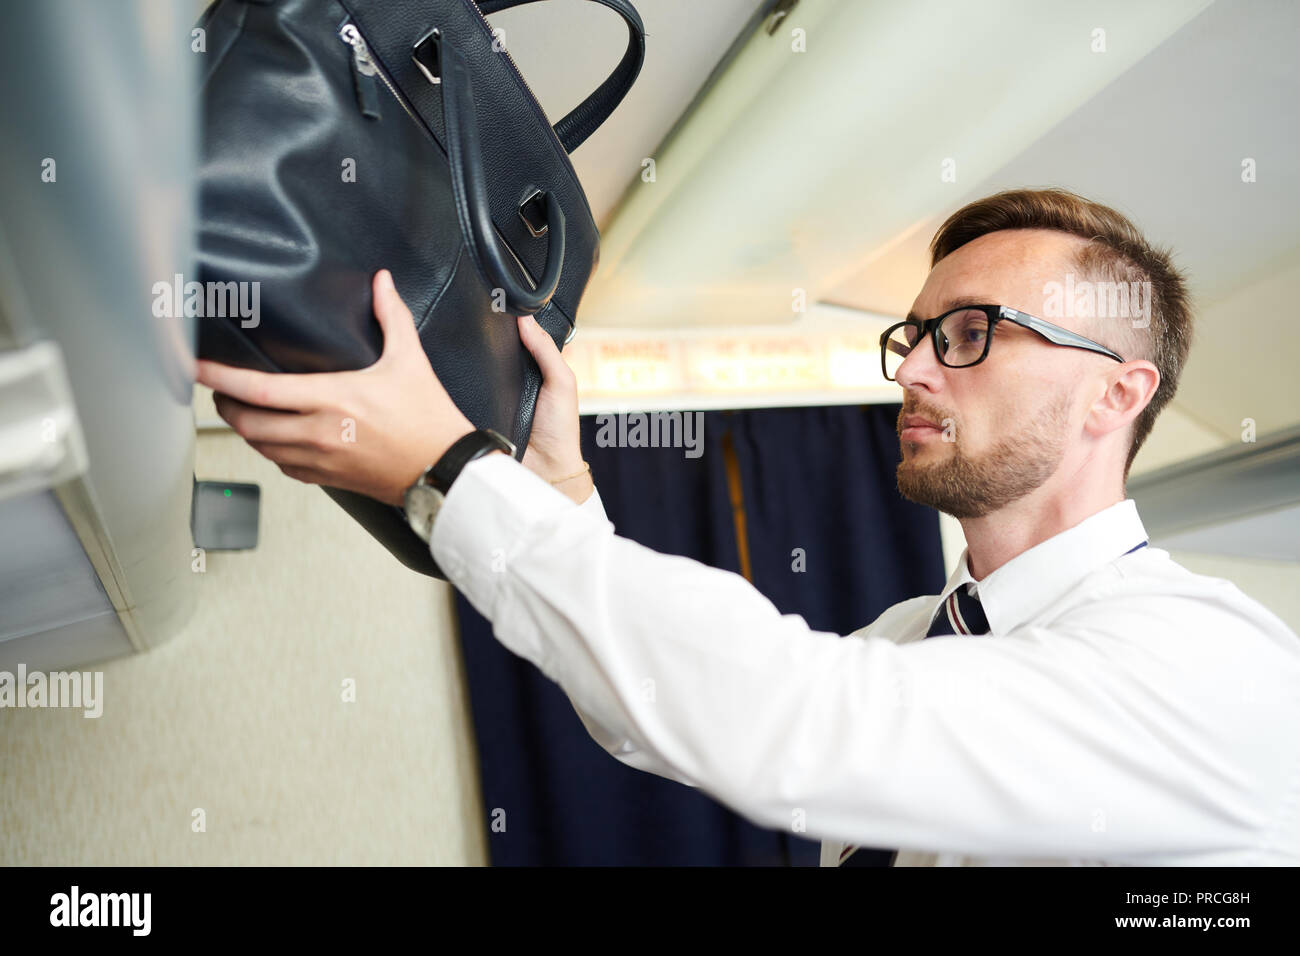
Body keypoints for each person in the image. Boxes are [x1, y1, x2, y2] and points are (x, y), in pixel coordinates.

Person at [196, 187, 1300, 865]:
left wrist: (450, 469)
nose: (910, 368)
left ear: (1117, 393)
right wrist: (559, 486)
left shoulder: (1206, 658)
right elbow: (662, 725)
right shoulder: (918, 631)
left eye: (969, 332)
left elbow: (790, 718)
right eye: (910, 335)